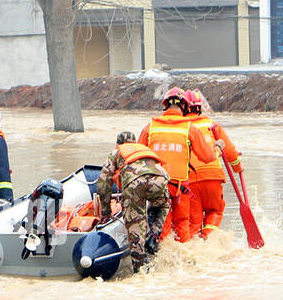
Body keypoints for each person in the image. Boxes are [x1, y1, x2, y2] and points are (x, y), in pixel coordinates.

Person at [139, 87, 215, 243]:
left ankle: (161, 256)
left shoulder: (150, 127)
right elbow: (207, 157)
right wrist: (218, 148)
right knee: (182, 224)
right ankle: (183, 258)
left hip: (157, 187)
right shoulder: (189, 128)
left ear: (166, 105)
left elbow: (138, 156)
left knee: (161, 227)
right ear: (185, 107)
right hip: (180, 188)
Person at [96, 132, 171, 271]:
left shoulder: (117, 151)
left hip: (135, 182)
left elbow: (103, 182)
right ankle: (153, 234)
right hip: (161, 179)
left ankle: (141, 270)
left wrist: (106, 211)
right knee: (162, 205)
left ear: (118, 144)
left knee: (135, 228)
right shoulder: (143, 149)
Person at [184, 90, 243, 239]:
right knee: (215, 212)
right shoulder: (212, 125)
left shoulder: (180, 128)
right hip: (214, 178)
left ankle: (195, 248)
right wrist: (238, 167)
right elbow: (230, 151)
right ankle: (208, 238)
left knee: (194, 222)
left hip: (191, 181)